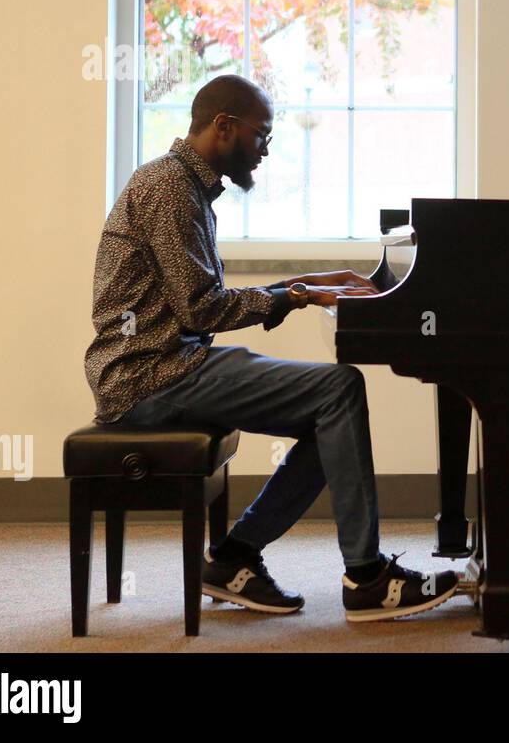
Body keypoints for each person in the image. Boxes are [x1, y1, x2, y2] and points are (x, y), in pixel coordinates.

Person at [83, 74, 458, 622]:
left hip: (164, 364)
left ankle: (234, 558)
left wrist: (305, 283)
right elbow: (202, 309)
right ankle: (368, 577)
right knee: (340, 389)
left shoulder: (181, 185)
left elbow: (198, 302)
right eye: (263, 135)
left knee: (330, 411)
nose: (265, 149)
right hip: (151, 375)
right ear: (224, 126)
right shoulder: (168, 189)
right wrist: (300, 295)